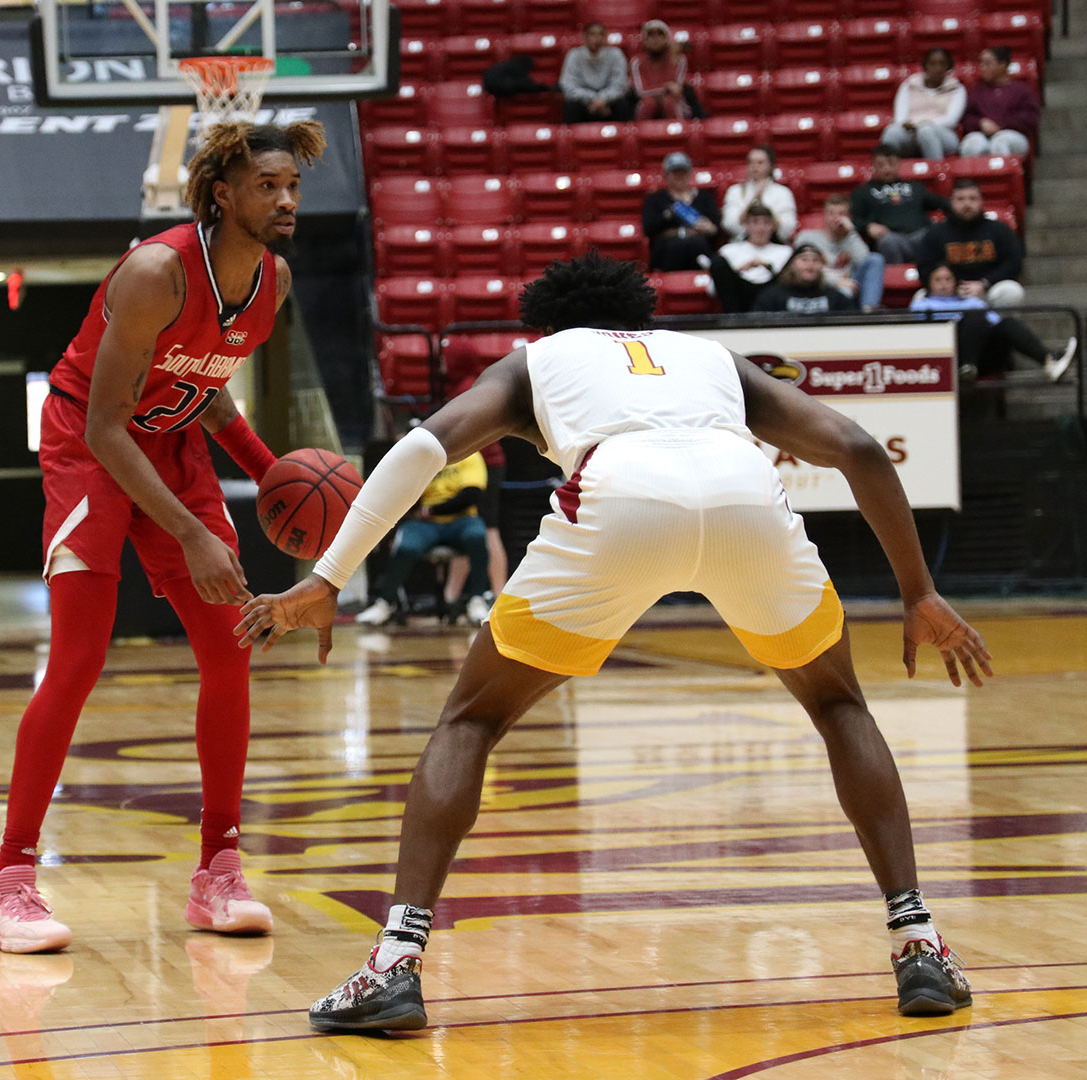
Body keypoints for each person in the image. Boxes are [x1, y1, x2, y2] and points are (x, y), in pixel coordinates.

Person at [234, 253, 992, 1031]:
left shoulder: (536, 360)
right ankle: (918, 942)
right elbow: (857, 447)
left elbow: (427, 447)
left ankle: (396, 962)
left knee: (472, 721)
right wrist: (919, 592)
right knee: (838, 705)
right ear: (639, 317)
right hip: (744, 491)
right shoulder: (708, 357)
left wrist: (327, 578)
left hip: (620, 495)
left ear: (548, 324)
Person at [0, 121, 318, 955]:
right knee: (79, 658)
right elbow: (104, 426)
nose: (286, 200)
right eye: (268, 186)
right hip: (88, 444)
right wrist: (193, 535)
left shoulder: (271, 284)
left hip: (171, 443)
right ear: (223, 194)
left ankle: (219, 871)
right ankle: (8, 884)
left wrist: (276, 479)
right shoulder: (157, 273)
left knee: (230, 649)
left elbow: (208, 390)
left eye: (292, 186)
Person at [353, 444, 493, 627]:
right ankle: (385, 604)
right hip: (426, 524)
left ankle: (477, 600)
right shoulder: (424, 458)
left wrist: (431, 510)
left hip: (461, 519)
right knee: (405, 546)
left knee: (477, 536)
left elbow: (471, 495)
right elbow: (404, 494)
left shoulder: (470, 455)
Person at [913, 265, 1075, 383]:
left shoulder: (973, 302)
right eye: (938, 280)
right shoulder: (921, 305)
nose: (943, 284)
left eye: (948, 279)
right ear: (929, 283)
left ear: (956, 282)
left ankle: (1049, 361)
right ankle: (966, 367)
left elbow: (994, 324)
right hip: (943, 359)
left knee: (1006, 323)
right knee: (973, 315)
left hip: (983, 356)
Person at [915, 179, 1025, 309]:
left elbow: (1013, 263)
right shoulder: (935, 234)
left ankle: (997, 322)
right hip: (949, 294)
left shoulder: (999, 229)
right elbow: (924, 267)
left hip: (987, 289)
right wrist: (953, 287)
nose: (967, 204)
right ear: (951, 202)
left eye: (973, 199)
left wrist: (984, 283)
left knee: (1012, 291)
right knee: (919, 297)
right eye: (960, 199)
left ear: (981, 201)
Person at [849, 144, 948, 265]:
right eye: (881, 165)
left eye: (891, 163)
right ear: (873, 166)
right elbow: (854, 219)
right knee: (888, 241)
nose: (887, 169)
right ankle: (895, 276)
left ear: (898, 163)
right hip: (891, 238)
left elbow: (943, 203)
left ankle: (936, 272)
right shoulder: (862, 192)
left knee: (937, 232)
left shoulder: (916, 187)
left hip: (920, 236)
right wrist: (867, 227)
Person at [796, 194, 887, 310]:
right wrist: (836, 282)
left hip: (851, 285)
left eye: (841, 214)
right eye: (831, 213)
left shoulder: (852, 239)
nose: (836, 218)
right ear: (824, 215)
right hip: (819, 287)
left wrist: (851, 232)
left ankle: (869, 311)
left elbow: (864, 259)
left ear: (849, 217)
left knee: (875, 259)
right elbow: (799, 269)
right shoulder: (807, 237)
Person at [642, 151, 720, 271]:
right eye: (675, 172)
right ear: (666, 174)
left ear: (689, 173)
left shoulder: (704, 198)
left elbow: (716, 227)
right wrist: (672, 221)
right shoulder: (655, 199)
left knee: (697, 245)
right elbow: (649, 229)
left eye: (683, 171)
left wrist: (708, 228)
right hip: (668, 249)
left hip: (699, 245)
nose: (679, 176)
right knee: (677, 246)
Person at [707, 202, 791, 314]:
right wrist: (739, 271)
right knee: (718, 263)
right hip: (738, 299)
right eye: (755, 222)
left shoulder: (785, 252)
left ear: (773, 226)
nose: (761, 228)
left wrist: (768, 267)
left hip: (772, 297)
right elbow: (712, 289)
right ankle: (733, 319)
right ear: (746, 225)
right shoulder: (729, 250)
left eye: (766, 223)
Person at [884, 48, 965, 161]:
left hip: (943, 133)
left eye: (942, 64)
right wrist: (909, 125)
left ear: (948, 67)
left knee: (926, 131)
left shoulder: (957, 88)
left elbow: (951, 120)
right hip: (910, 131)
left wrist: (920, 125)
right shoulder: (909, 85)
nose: (937, 68)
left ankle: (936, 169)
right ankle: (889, 170)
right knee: (891, 132)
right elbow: (900, 117)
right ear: (925, 66)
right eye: (932, 64)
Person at [959, 46, 1037, 159]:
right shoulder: (976, 91)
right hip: (982, 134)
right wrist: (980, 123)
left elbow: (1030, 118)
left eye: (987, 63)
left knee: (999, 143)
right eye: (981, 63)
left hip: (1013, 135)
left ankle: (1003, 171)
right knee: (971, 145)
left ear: (1002, 65)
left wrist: (1000, 124)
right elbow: (966, 117)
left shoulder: (1022, 90)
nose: (982, 67)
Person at [558, 21, 630, 124]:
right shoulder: (574, 55)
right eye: (592, 34)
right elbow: (568, 85)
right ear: (585, 37)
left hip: (608, 102)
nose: (597, 38)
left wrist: (603, 100)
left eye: (600, 34)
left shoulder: (616, 54)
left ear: (605, 37)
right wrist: (593, 99)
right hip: (583, 102)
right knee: (570, 105)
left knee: (623, 104)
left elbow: (620, 84)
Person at [720, 145, 796, 242]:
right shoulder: (735, 191)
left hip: (775, 243)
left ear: (771, 165)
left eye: (760, 162)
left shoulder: (783, 192)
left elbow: (787, 228)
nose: (755, 166)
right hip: (741, 243)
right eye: (751, 162)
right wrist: (755, 197)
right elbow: (729, 225)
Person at [753, 245, 859, 315]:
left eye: (815, 260)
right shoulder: (771, 297)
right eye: (804, 260)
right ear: (792, 265)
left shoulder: (837, 298)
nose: (810, 265)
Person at [629, 19, 690, 122]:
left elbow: (676, 90)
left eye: (660, 35)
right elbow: (641, 92)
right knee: (649, 104)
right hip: (647, 103)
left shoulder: (679, 59)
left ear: (667, 39)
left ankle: (680, 130)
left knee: (669, 102)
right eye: (651, 36)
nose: (655, 39)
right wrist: (666, 87)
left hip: (674, 103)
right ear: (644, 40)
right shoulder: (637, 62)